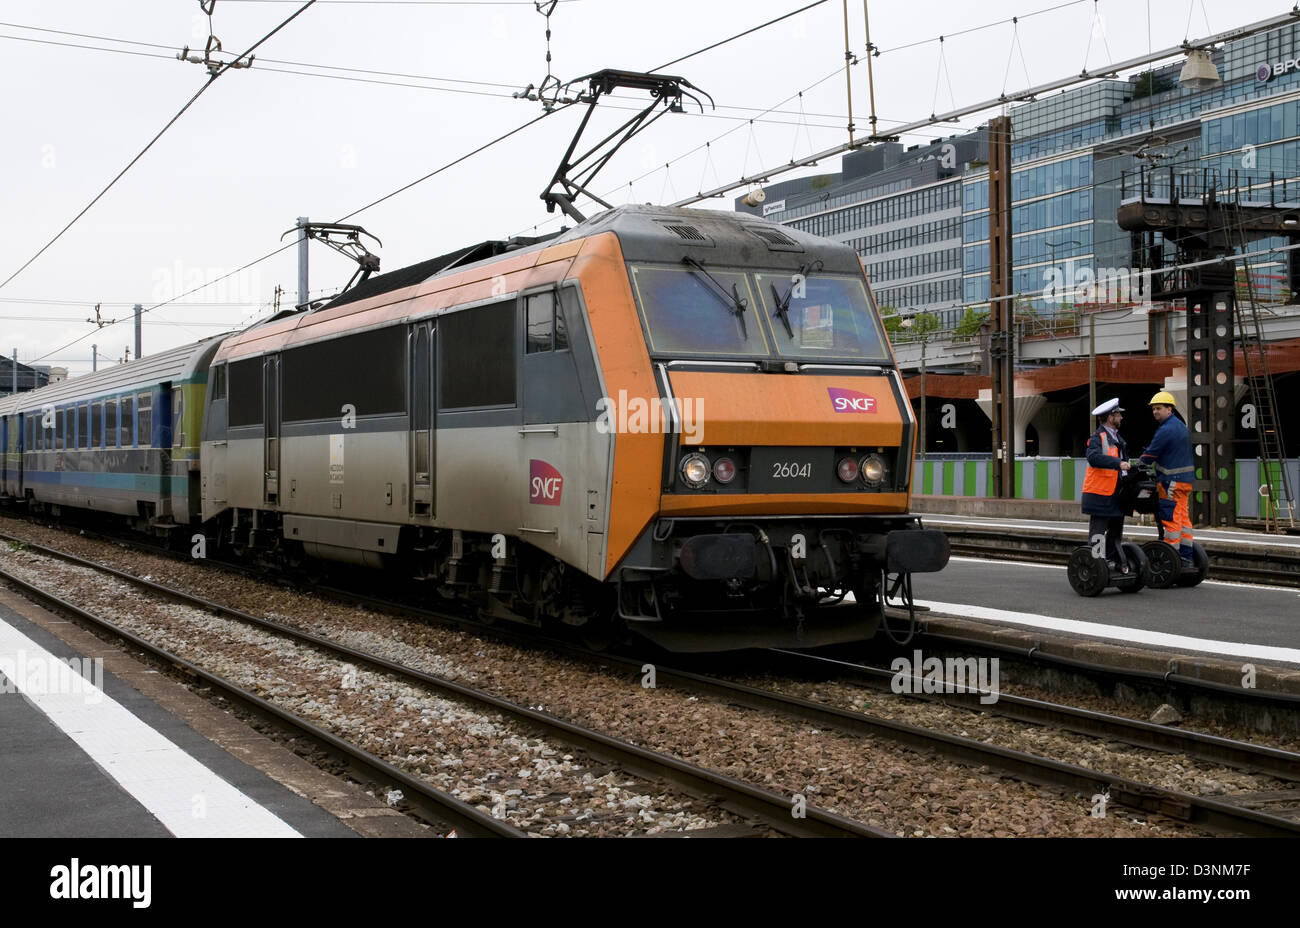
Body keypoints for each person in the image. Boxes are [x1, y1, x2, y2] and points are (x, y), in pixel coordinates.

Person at [1140, 390, 1196, 566]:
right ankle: (1186, 556)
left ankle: (1171, 558)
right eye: (1153, 409)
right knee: (1183, 518)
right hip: (1185, 481)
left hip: (1171, 481)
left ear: (1169, 409)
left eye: (1159, 408)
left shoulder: (1165, 430)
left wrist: (1138, 464)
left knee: (1171, 518)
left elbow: (1151, 454)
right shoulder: (1181, 427)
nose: (1155, 412)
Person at [1081, 398, 1132, 572]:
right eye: (1119, 414)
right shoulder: (1097, 438)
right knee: (1098, 533)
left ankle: (1110, 561)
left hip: (1116, 494)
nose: (1121, 418)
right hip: (1099, 494)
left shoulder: (1119, 439)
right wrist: (1118, 463)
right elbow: (1093, 457)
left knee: (1116, 532)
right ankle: (1095, 566)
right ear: (1111, 417)